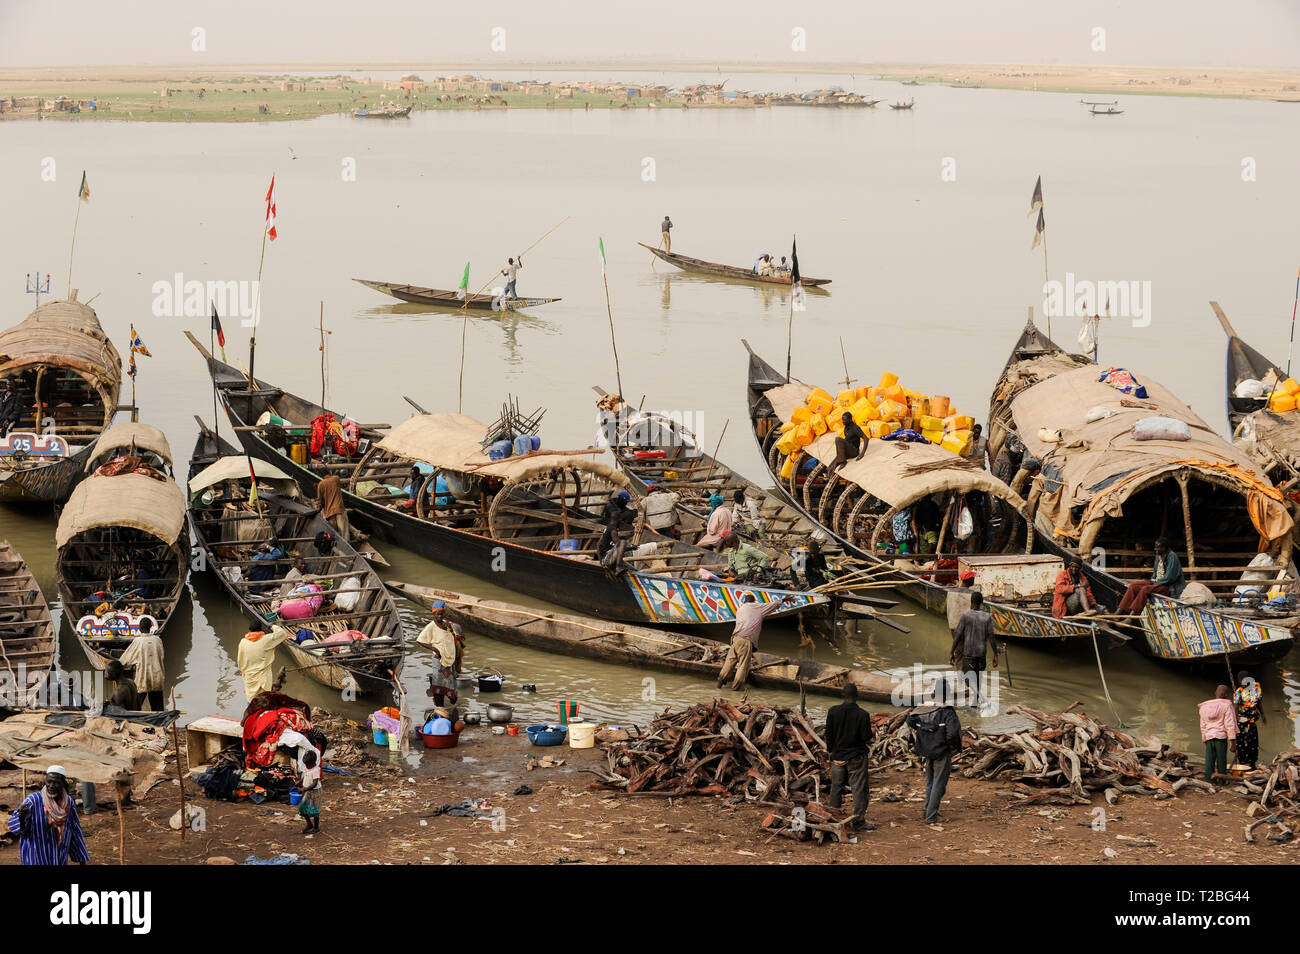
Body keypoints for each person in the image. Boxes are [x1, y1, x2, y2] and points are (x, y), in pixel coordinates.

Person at [906, 678, 963, 824]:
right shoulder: (948, 712)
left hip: (926, 750)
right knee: (939, 784)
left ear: (933, 693)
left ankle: (927, 810)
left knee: (930, 782)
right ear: (948, 694)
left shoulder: (923, 708)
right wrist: (952, 748)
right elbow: (952, 734)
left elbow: (910, 721)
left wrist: (925, 735)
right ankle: (931, 816)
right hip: (941, 751)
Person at [6, 766, 88, 865]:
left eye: (56, 782)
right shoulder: (33, 801)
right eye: (49, 782)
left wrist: (81, 859)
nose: (51, 785)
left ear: (63, 783)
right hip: (36, 857)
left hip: (59, 857)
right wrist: (22, 817)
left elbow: (74, 830)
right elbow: (15, 828)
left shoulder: (68, 803)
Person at [716, 592, 794, 690]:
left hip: (735, 638)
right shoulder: (757, 607)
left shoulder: (740, 609)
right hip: (746, 639)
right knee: (743, 665)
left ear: (745, 601)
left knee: (730, 662)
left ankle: (718, 686)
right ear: (753, 601)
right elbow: (772, 605)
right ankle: (736, 689)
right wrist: (783, 600)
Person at [825, 683, 876, 831]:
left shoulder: (833, 711)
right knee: (859, 789)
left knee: (836, 788)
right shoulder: (863, 714)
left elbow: (829, 734)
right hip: (856, 757)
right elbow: (866, 737)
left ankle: (833, 818)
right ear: (857, 696)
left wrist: (831, 751)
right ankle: (858, 822)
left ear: (843, 695)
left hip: (838, 757)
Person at [950, 591, 998, 707]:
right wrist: (995, 654)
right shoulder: (987, 617)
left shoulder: (966, 616)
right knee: (978, 679)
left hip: (969, 654)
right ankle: (974, 704)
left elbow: (958, 635)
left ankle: (981, 698)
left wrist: (952, 651)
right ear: (982, 602)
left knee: (968, 679)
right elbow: (991, 636)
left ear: (971, 601)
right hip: (981, 654)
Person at [1116, 537, 1185, 614]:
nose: (1155, 549)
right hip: (1158, 582)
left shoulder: (1172, 557)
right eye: (1155, 547)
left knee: (1145, 589)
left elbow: (1169, 578)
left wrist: (1155, 583)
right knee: (1133, 586)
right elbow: (1155, 572)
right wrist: (1153, 580)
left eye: (1158, 547)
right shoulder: (1158, 555)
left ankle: (1132, 617)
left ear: (1164, 548)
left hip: (1168, 586)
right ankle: (1119, 612)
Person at [418, 600, 465, 706]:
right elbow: (420, 640)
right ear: (433, 614)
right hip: (438, 660)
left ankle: (447, 703)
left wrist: (450, 629)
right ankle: (440, 707)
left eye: (441, 613)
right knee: (438, 685)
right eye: (437, 614)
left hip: (449, 660)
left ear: (444, 613)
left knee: (450, 686)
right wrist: (434, 649)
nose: (439, 616)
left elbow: (454, 638)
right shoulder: (431, 626)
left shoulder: (447, 625)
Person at [119, 617, 166, 711]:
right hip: (157, 676)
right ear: (150, 627)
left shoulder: (138, 641)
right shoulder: (158, 640)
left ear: (140, 628)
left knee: (135, 707)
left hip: (143, 677)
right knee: (157, 708)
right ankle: (159, 722)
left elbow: (125, 660)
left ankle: (136, 722)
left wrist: (119, 665)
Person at [237, 625, 289, 702]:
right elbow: (282, 634)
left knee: (251, 700)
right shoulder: (266, 640)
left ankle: (252, 713)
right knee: (265, 700)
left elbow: (240, 661)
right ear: (260, 629)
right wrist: (273, 626)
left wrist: (244, 673)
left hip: (250, 677)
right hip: (263, 679)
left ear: (250, 630)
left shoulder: (243, 642)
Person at [1198, 685, 1237, 782]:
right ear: (1226, 695)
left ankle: (1209, 780)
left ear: (1215, 693)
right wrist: (1232, 742)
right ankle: (1222, 780)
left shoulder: (1203, 707)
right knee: (1221, 760)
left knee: (1209, 761)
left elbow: (1202, 726)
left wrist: (1204, 739)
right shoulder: (1226, 705)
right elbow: (1230, 724)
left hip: (1209, 737)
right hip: (1221, 737)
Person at [598, 490, 637, 571]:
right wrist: (631, 548)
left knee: (634, 570)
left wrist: (600, 560)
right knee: (623, 542)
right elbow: (620, 546)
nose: (626, 503)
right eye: (625, 501)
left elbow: (598, 544)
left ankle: (621, 566)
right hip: (608, 560)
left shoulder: (608, 528)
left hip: (606, 558)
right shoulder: (613, 531)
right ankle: (618, 567)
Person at [1233, 672, 1264, 769]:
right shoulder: (1256, 689)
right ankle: (1252, 764)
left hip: (1242, 723)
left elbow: (1236, 708)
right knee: (1253, 743)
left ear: (1240, 681)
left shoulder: (1238, 692)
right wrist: (1263, 715)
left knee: (1241, 744)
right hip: (1252, 722)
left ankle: (1243, 764)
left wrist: (1233, 722)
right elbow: (1259, 703)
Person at [315, 473, 349, 540]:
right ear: (329, 473)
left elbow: (320, 501)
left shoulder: (320, 484)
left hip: (329, 513)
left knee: (333, 535)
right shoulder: (336, 479)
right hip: (339, 510)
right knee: (344, 535)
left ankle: (336, 548)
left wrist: (318, 510)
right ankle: (347, 548)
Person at [297, 749, 322, 834]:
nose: (306, 766)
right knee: (302, 808)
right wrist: (300, 781)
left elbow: (314, 784)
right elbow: (305, 775)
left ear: (312, 763)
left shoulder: (316, 770)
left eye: (307, 764)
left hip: (315, 792)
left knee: (315, 810)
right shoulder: (307, 767)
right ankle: (309, 824)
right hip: (307, 791)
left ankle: (316, 827)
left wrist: (304, 789)